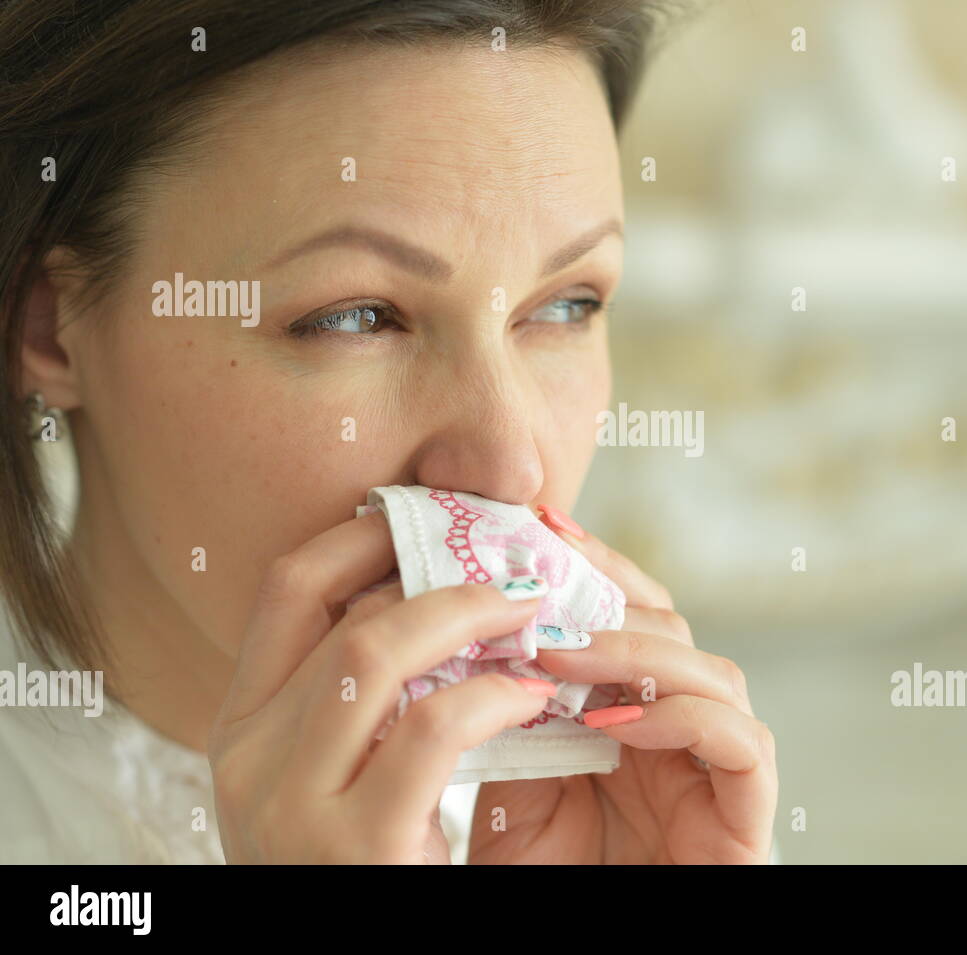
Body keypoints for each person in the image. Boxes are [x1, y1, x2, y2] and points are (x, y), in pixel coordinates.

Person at [0, 0, 778, 864]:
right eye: (357, 316)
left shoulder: (634, 805)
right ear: (47, 326)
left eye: (566, 306)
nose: (512, 466)